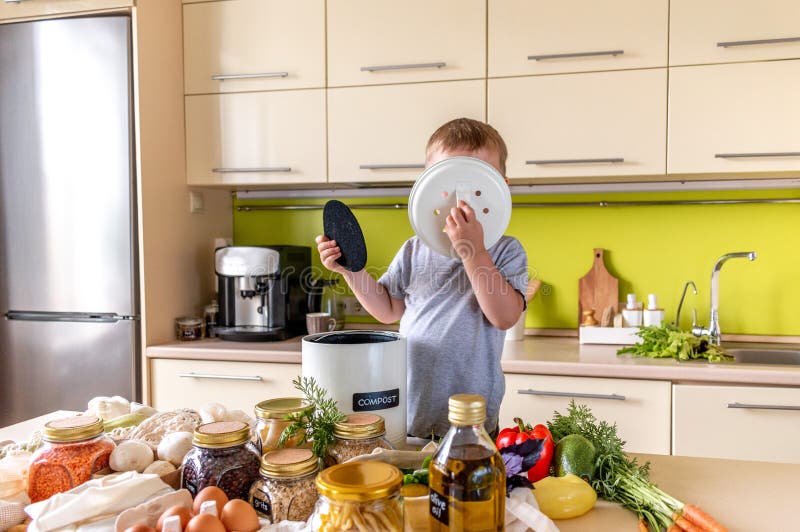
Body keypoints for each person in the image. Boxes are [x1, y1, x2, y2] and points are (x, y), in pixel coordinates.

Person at [315, 118, 528, 438]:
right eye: (448, 183)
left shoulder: (506, 251)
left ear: (501, 188)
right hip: (412, 408)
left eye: (477, 183)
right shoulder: (413, 250)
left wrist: (473, 251)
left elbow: (504, 316)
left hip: (472, 419)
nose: (460, 201)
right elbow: (387, 310)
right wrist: (350, 270)